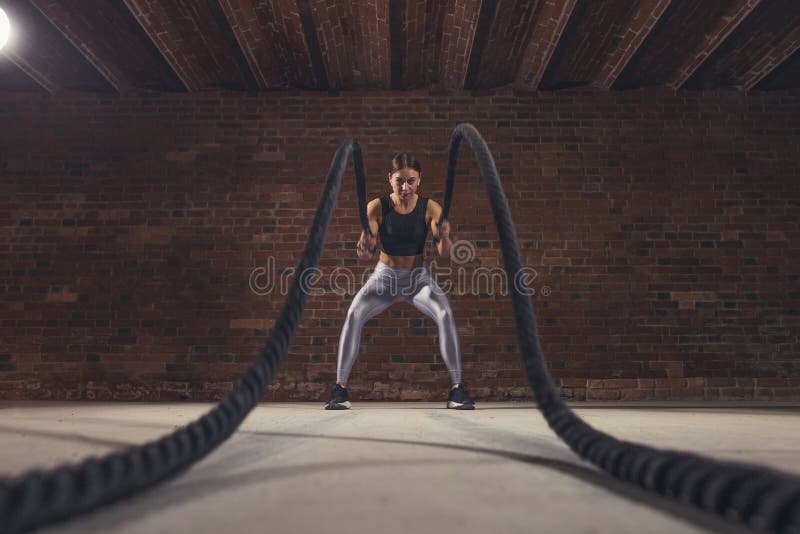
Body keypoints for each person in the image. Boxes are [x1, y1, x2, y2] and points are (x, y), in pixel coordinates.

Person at [325, 152, 475, 410]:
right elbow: (367, 251)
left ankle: (457, 390)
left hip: (418, 280)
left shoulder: (431, 207)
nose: (405, 187)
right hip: (384, 278)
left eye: (411, 181)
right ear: (390, 179)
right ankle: (340, 390)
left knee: (445, 313)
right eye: (399, 181)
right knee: (353, 314)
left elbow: (445, 253)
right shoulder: (376, 206)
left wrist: (444, 237)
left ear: (419, 180)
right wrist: (365, 246)